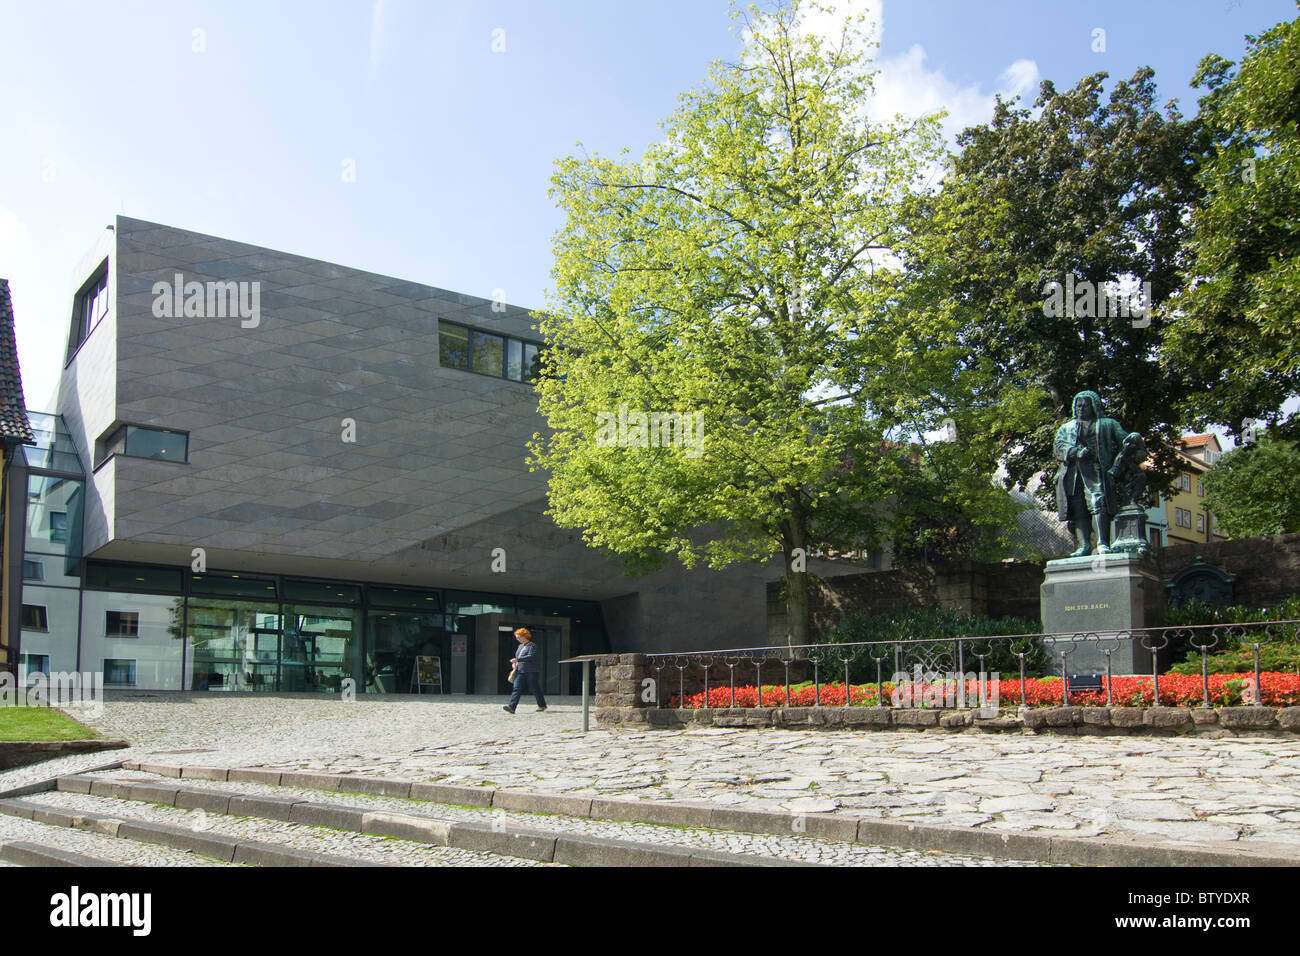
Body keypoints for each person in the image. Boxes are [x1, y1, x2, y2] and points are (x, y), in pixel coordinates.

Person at [1053, 390, 1131, 556]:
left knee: (1098, 503)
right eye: (1078, 405)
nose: (1081, 408)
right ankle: (1084, 546)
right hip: (1072, 474)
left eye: (1085, 405)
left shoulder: (1107, 424)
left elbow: (1125, 440)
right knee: (1078, 508)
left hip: (1096, 472)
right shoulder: (1066, 427)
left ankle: (1102, 543)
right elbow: (1058, 448)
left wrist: (1133, 440)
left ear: (1093, 406)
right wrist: (1075, 452)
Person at [503, 627, 547, 713]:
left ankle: (542, 705)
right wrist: (515, 664)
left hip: (531, 671)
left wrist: (518, 660)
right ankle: (512, 707)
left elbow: (531, 656)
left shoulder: (532, 646)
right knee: (516, 688)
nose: (518, 639)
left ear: (525, 636)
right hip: (520, 670)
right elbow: (518, 657)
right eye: (517, 637)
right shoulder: (520, 646)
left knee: (535, 688)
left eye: (519, 637)